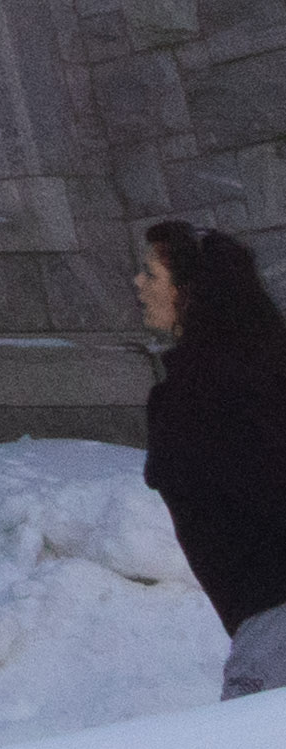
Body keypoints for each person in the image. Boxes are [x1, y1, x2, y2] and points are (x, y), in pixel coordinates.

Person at [138, 218, 286, 697]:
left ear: (190, 293)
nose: (138, 285)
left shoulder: (210, 393)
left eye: (152, 275)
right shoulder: (256, 368)